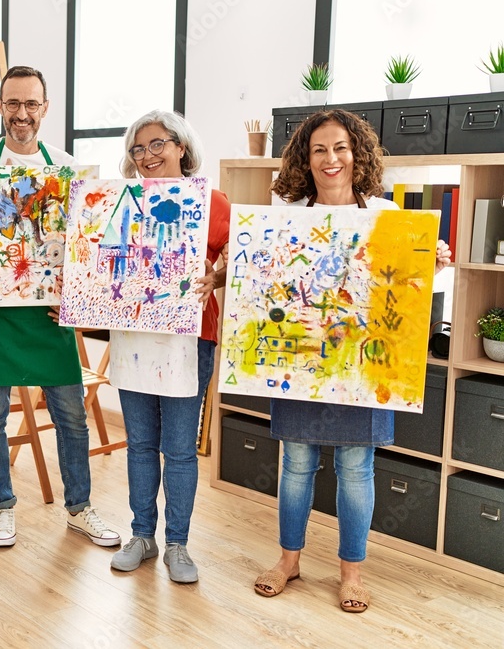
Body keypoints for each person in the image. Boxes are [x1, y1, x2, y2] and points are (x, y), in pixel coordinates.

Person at [252, 109, 451, 612]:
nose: (330, 158)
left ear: (356, 153)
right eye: (319, 149)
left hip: (366, 364)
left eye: (340, 147)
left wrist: (432, 257)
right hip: (303, 360)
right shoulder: (288, 215)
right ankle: (289, 560)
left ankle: (351, 573)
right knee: (296, 464)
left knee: (356, 467)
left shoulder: (385, 215)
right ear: (305, 158)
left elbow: (406, 287)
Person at [0, 66, 120, 548]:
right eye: (12, 104)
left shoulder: (66, 167)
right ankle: (2, 508)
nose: (21, 114)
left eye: (31, 104)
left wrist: (78, 294)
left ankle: (80, 507)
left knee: (70, 416)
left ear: (45, 108)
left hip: (49, 315)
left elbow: (87, 246)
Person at [102, 111, 230, 582]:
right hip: (134, 336)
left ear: (181, 146)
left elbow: (244, 261)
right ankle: (142, 535)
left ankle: (178, 543)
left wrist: (214, 277)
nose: (147, 156)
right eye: (138, 150)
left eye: (157, 145)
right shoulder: (120, 202)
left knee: (178, 449)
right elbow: (99, 262)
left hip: (189, 339)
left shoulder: (211, 202)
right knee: (139, 444)